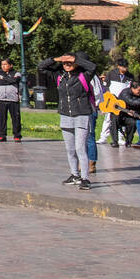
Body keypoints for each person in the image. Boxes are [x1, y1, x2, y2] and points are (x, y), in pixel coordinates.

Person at [37, 53, 96, 188]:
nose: (67, 65)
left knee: (80, 148)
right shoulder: (59, 76)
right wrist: (56, 59)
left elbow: (92, 67)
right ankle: (74, 174)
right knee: (70, 149)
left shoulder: (83, 75)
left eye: (70, 63)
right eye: (65, 63)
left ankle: (85, 178)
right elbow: (41, 67)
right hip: (65, 115)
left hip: (82, 114)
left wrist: (75, 59)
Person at [0, 58, 23, 142]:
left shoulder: (16, 73)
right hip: (1, 99)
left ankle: (17, 135)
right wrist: (9, 79)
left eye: (5, 64)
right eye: (2, 64)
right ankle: (2, 135)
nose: (3, 66)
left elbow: (15, 80)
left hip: (13, 99)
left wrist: (4, 79)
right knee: (2, 118)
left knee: (16, 118)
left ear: (10, 65)